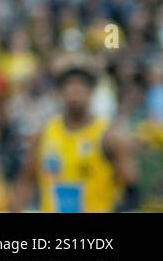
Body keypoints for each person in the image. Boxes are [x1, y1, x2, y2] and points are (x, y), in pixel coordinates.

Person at [12, 60, 138, 212]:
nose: (74, 95)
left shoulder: (110, 136)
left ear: (91, 92)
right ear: (60, 93)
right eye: (69, 88)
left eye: (79, 89)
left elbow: (131, 190)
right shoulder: (45, 133)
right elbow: (27, 180)